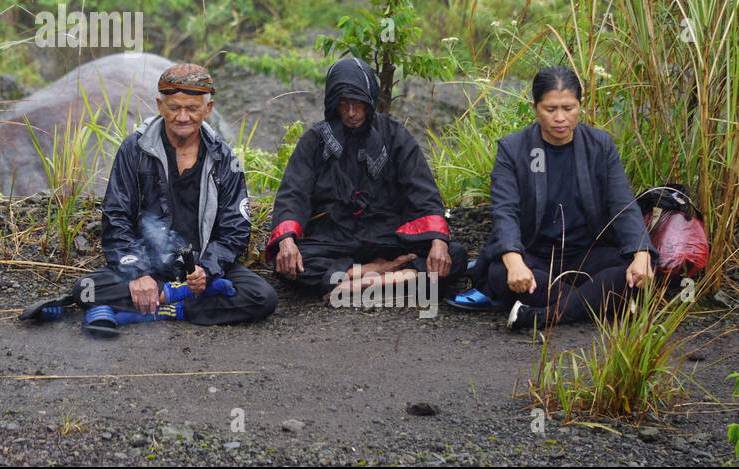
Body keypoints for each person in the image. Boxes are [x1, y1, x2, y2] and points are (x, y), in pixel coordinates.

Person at [21, 63, 277, 335]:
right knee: (85, 289)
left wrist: (208, 269)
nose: (182, 117)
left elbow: (235, 228)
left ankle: (153, 307)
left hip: (199, 270)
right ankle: (174, 298)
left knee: (261, 296)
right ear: (159, 105)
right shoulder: (135, 149)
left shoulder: (223, 158)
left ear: (208, 109)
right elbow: (116, 216)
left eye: (192, 108)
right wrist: (138, 273)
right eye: (174, 107)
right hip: (149, 265)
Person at [267, 55, 468, 300]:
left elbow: (422, 191)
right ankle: (386, 273)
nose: (351, 113)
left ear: (370, 99)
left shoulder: (395, 136)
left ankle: (356, 283)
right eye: (344, 104)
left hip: (389, 236)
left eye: (358, 103)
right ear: (333, 103)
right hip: (335, 238)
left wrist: (438, 242)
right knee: (285, 263)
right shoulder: (314, 140)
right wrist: (287, 242)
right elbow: (293, 193)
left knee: (454, 255)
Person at [476, 66, 655, 332]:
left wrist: (641, 253)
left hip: (586, 256)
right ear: (535, 108)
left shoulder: (600, 146)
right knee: (500, 272)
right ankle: (598, 302)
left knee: (635, 269)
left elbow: (623, 204)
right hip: (535, 256)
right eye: (550, 109)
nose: (560, 118)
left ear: (580, 106)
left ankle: (542, 316)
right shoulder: (513, 149)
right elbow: (505, 210)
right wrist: (514, 262)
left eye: (568, 108)